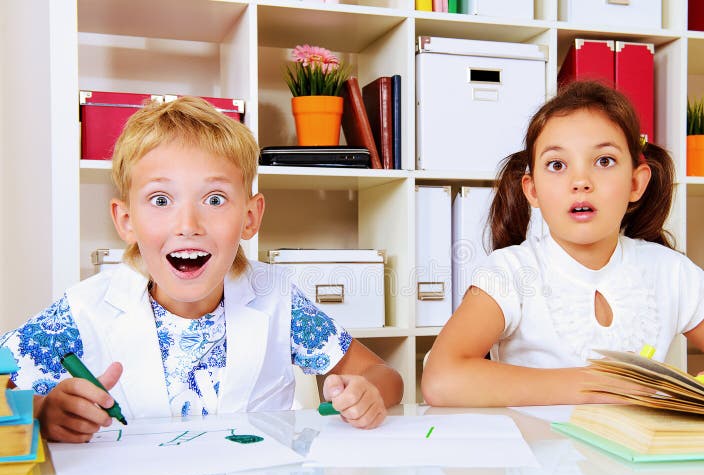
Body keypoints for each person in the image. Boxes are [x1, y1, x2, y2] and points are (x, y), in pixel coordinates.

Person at [0, 96, 403, 441]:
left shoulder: (278, 297)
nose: (188, 225)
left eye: (214, 199)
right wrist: (39, 412)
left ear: (250, 216)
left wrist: (368, 393)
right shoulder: (83, 309)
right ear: (125, 220)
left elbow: (385, 376)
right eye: (160, 200)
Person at [421, 80, 704, 407]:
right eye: (557, 165)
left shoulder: (671, 272)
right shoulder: (509, 273)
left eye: (604, 161)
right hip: (543, 462)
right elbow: (441, 379)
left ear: (636, 183)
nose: (580, 181)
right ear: (533, 190)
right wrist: (597, 385)